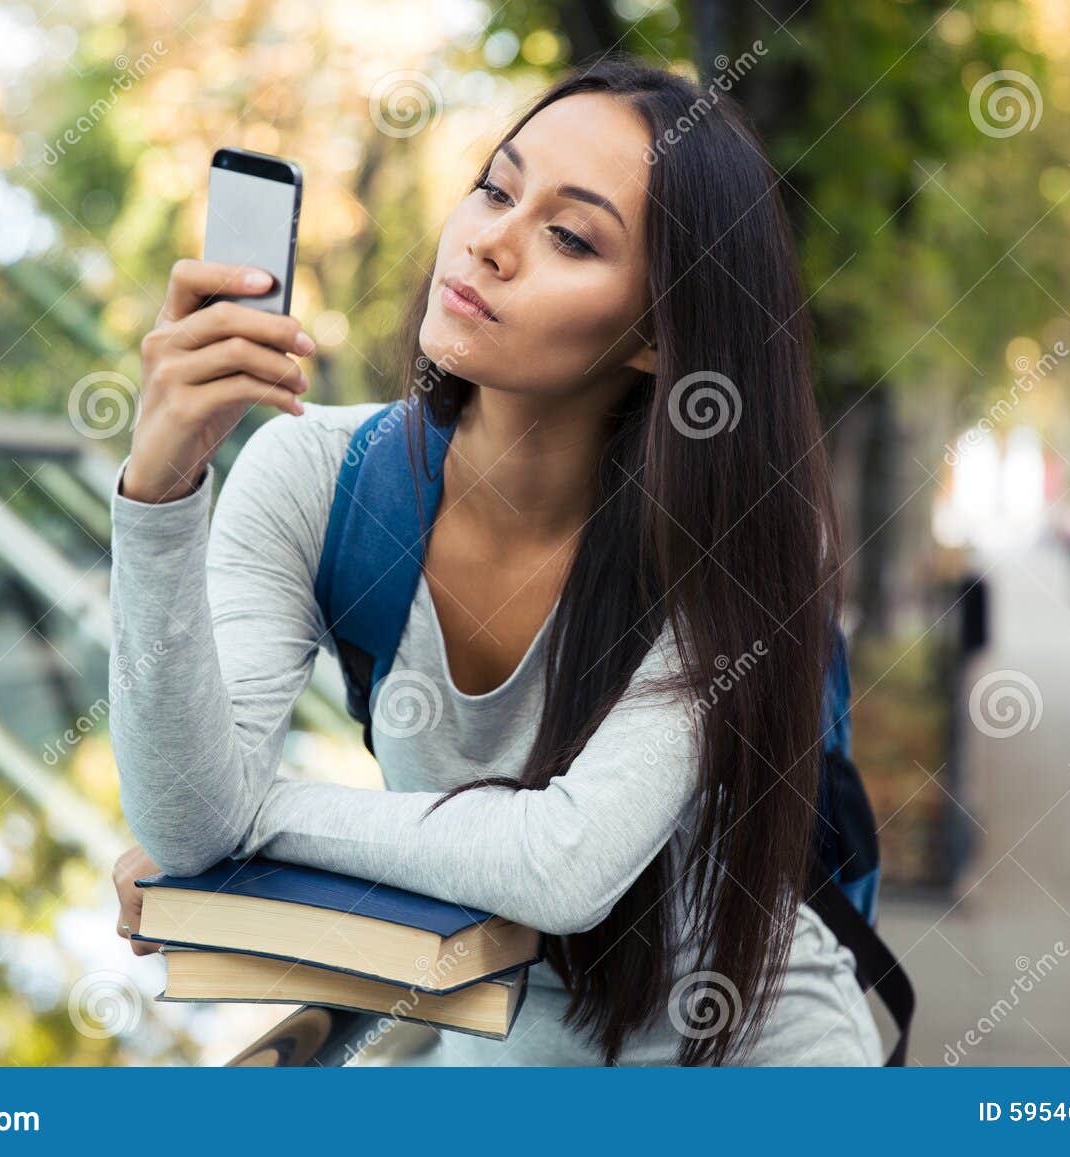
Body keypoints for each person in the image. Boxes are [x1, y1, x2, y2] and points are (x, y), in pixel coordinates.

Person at [107, 56, 881, 1067]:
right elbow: (184, 819)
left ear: (658, 331)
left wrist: (259, 811)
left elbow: (565, 861)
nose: (490, 242)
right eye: (495, 188)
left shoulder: (739, 533)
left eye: (570, 236)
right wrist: (159, 492)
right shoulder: (314, 477)